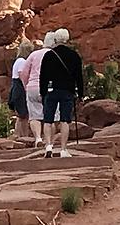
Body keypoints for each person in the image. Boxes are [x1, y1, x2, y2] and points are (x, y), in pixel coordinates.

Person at [39, 28, 84, 158]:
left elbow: (43, 76)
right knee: (65, 120)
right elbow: (78, 77)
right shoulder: (74, 56)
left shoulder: (48, 55)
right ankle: (63, 149)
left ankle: (48, 146)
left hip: (51, 90)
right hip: (67, 90)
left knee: (48, 120)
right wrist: (80, 93)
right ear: (67, 39)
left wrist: (43, 92)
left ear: (55, 39)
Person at [19, 31, 56, 147]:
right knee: (50, 117)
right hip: (49, 88)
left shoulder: (34, 54)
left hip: (32, 87)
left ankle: (38, 138)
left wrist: (26, 86)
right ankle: (48, 141)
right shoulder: (55, 54)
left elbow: (24, 72)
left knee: (34, 116)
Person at [8, 39, 33, 139]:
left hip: (16, 87)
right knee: (24, 114)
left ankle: (17, 135)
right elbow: (22, 75)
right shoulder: (22, 61)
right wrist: (26, 87)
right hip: (20, 88)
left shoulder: (17, 61)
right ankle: (24, 136)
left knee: (20, 115)